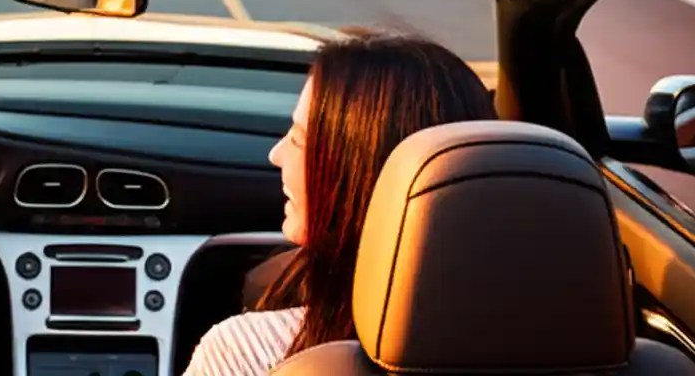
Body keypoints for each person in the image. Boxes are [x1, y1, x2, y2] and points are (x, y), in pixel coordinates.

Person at [183, 30, 498, 375]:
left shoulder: (245, 352)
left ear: (358, 169)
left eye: (300, 139)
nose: (276, 154)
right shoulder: (549, 341)